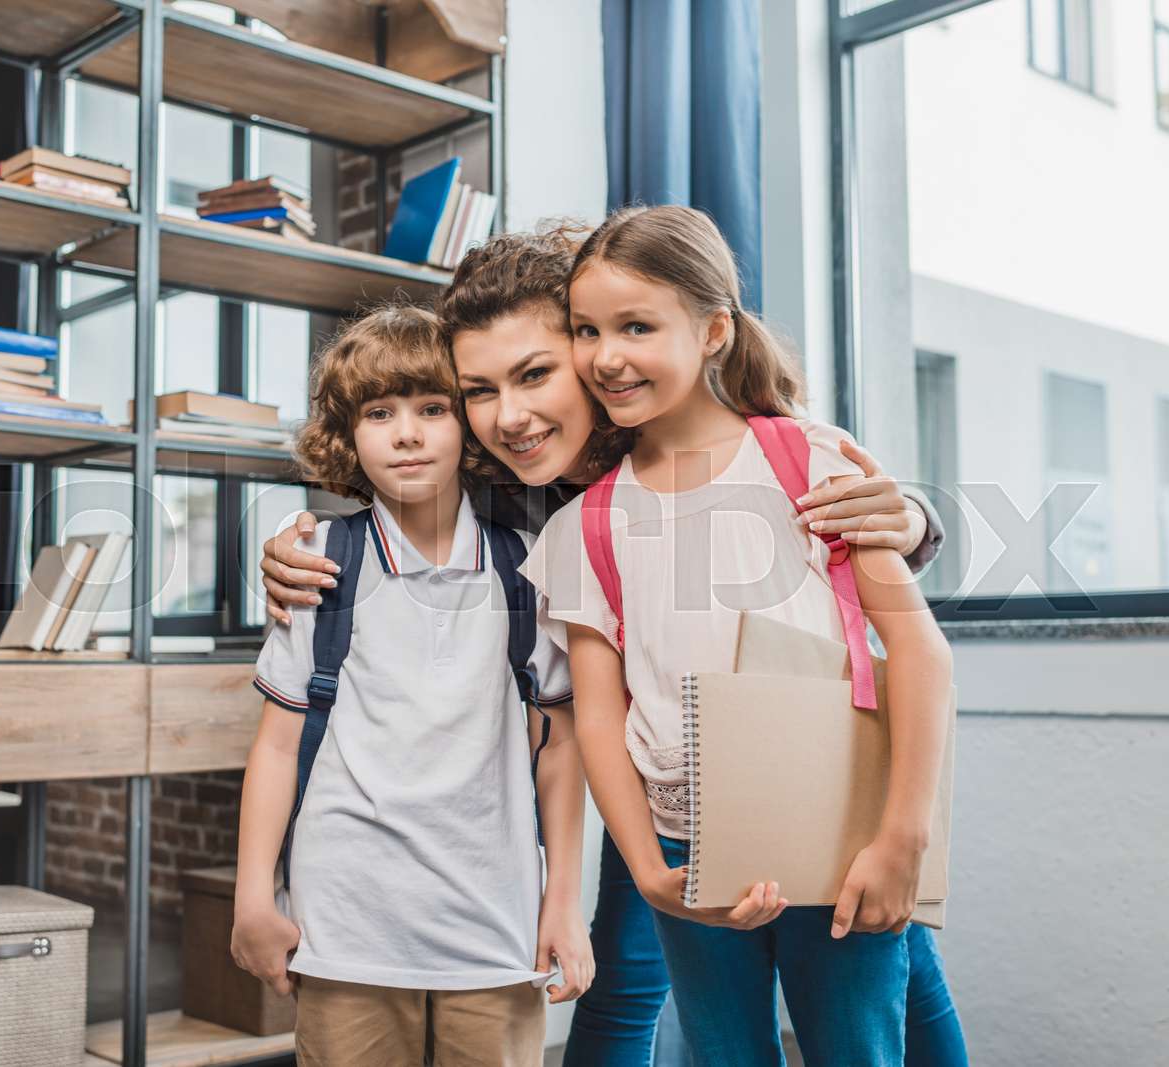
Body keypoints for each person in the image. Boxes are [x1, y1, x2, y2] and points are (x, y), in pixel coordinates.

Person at [259, 225, 968, 1066]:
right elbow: (386, 497)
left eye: (539, 372)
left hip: (790, 760)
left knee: (882, 963)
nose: (511, 416)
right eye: (480, 390)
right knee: (640, 972)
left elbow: (848, 514)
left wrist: (918, 517)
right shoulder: (504, 477)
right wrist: (293, 548)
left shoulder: (723, 436)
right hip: (645, 765)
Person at [520, 204, 954, 1066]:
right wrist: (647, 871)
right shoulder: (582, 528)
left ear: (714, 329)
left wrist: (904, 834)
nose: (605, 354)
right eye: (586, 330)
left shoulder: (810, 462)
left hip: (840, 825)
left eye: (636, 325)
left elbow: (920, 652)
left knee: (859, 1048)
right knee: (722, 1052)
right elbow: (599, 717)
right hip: (689, 847)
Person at [229, 305, 595, 1067]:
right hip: (347, 927)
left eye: (433, 408)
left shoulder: (526, 565)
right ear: (346, 431)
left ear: (469, 426)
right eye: (379, 412)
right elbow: (276, 745)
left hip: (494, 926)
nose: (406, 433)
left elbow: (559, 748)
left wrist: (564, 900)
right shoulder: (321, 560)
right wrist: (252, 896)